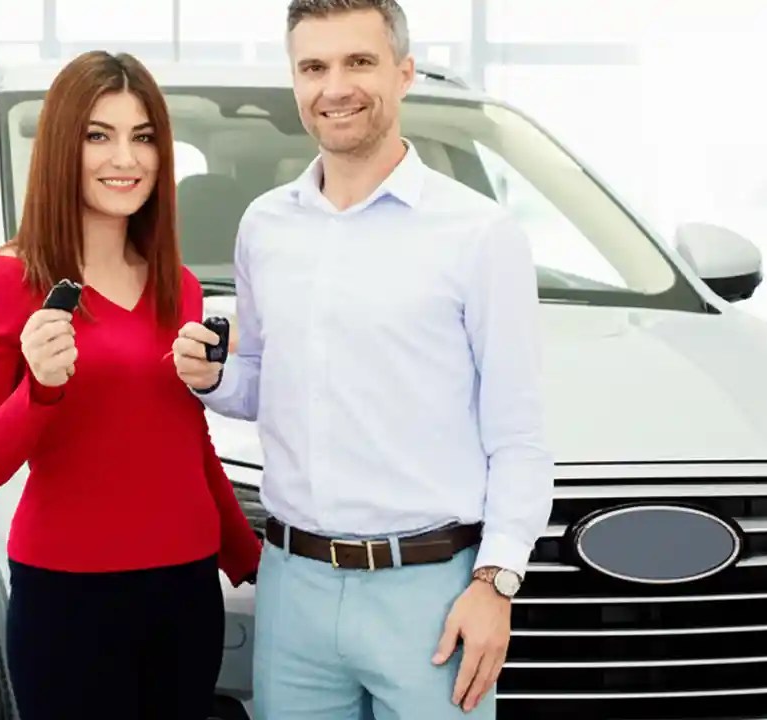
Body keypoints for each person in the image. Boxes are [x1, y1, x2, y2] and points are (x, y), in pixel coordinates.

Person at [171, 1, 555, 718]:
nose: (334, 86)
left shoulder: (479, 234)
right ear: (294, 82)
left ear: (404, 73)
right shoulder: (265, 226)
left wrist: (496, 585)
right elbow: (263, 379)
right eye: (314, 67)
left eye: (359, 62)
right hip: (294, 591)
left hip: (432, 594)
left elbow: (521, 437)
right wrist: (215, 378)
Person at [0, 50, 261, 720]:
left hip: (185, 595)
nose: (127, 158)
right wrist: (40, 390)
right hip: (70, 600)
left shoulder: (179, 285)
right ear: (63, 147)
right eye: (99, 135)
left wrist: (252, 560)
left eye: (143, 137)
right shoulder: (0, 284)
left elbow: (185, 439)